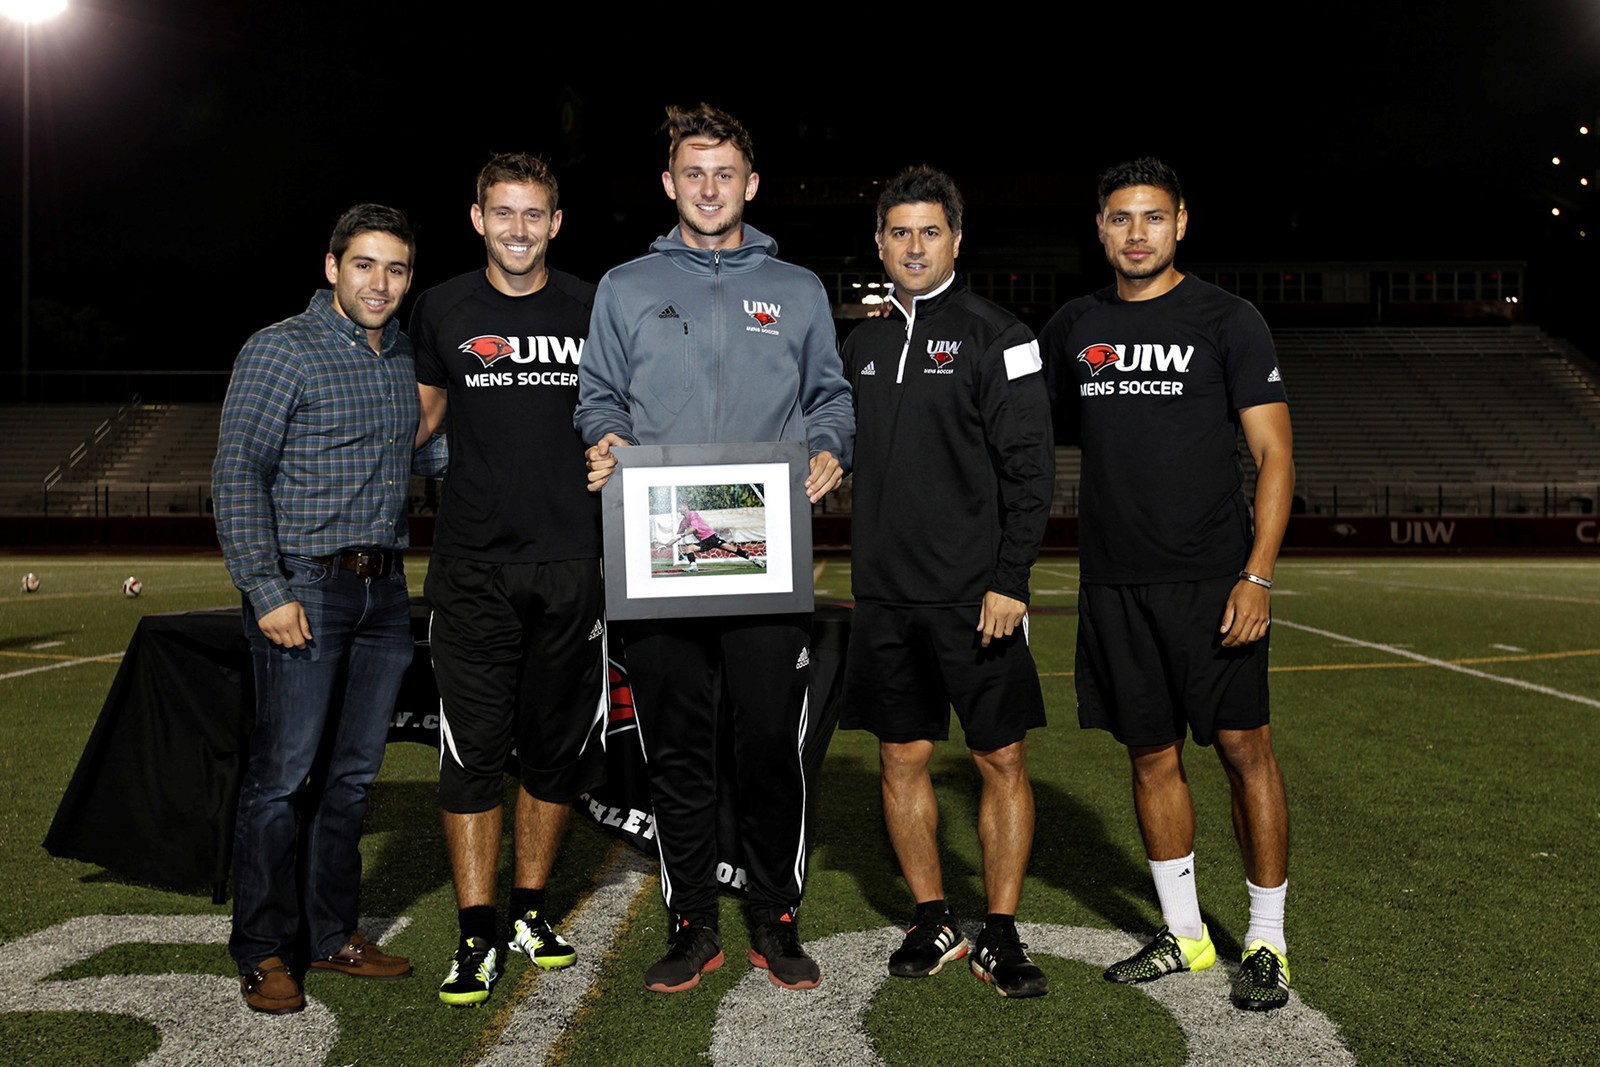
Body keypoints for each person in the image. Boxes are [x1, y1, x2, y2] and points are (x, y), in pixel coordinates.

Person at [575, 103, 852, 993]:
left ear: (751, 184)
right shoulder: (623, 285)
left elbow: (832, 398)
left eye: (723, 173)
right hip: (661, 551)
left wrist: (829, 449)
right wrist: (605, 441)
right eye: (692, 173)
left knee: (769, 742)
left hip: (765, 553)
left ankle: (775, 914)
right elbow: (597, 398)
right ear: (669, 184)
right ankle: (692, 919)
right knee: (679, 750)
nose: (708, 188)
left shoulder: (801, 288)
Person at [1039, 158, 1296, 1011]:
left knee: (1243, 750)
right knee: (1149, 756)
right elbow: (1014, 426)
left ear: (1181, 222)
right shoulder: (1074, 325)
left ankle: (1266, 938)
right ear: (1100, 228)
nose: (1137, 232)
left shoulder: (1229, 319)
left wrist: (1256, 574)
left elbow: (1275, 454)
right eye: (1120, 218)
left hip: (1213, 582)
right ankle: (1185, 935)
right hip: (1113, 584)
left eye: (1153, 217)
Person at [839, 166, 1055, 998]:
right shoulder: (857, 342)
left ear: (957, 240)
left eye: (930, 232)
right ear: (881, 244)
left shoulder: (999, 333)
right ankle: (932, 916)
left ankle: (999, 930)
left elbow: (1031, 469)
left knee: (1000, 756)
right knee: (901, 756)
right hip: (885, 597)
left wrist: (1010, 580)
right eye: (900, 233)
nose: (915, 246)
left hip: (978, 598)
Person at [214, 203, 428, 1014]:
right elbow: (237, 474)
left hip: (383, 591)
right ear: (333, 265)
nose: (381, 282)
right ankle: (264, 948)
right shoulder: (281, 348)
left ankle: (333, 932)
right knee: (282, 779)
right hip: (305, 584)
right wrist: (267, 591)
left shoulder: (401, 353)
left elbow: (432, 450)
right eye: (367, 264)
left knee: (349, 780)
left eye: (398, 268)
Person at [409, 153, 607, 1007]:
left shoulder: (595, 306)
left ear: (555, 223)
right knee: (471, 756)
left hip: (574, 564)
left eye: (534, 214)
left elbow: (628, 411)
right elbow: (415, 420)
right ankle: (477, 929)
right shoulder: (442, 307)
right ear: (477, 217)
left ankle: (531, 909)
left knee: (554, 753)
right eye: (503, 213)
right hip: (472, 569)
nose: (519, 229)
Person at [673, 501, 765, 572]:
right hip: (710, 538)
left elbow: (693, 528)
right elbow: (677, 535)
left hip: (709, 538)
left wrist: (683, 535)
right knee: (731, 549)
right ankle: (753, 559)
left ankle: (693, 566)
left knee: (690, 548)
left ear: (685, 507)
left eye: (680, 507)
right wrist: (666, 545)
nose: (678, 509)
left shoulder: (693, 514)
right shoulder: (683, 522)